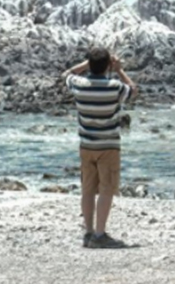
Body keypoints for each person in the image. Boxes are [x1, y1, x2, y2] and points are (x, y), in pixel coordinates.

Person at [62, 47, 139, 248]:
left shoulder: (79, 85)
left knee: (87, 190)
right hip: (109, 146)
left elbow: (67, 74)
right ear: (107, 66)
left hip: (86, 145)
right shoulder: (114, 86)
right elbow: (132, 89)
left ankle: (88, 233)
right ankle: (100, 234)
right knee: (106, 189)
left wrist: (88, 63)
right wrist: (120, 70)